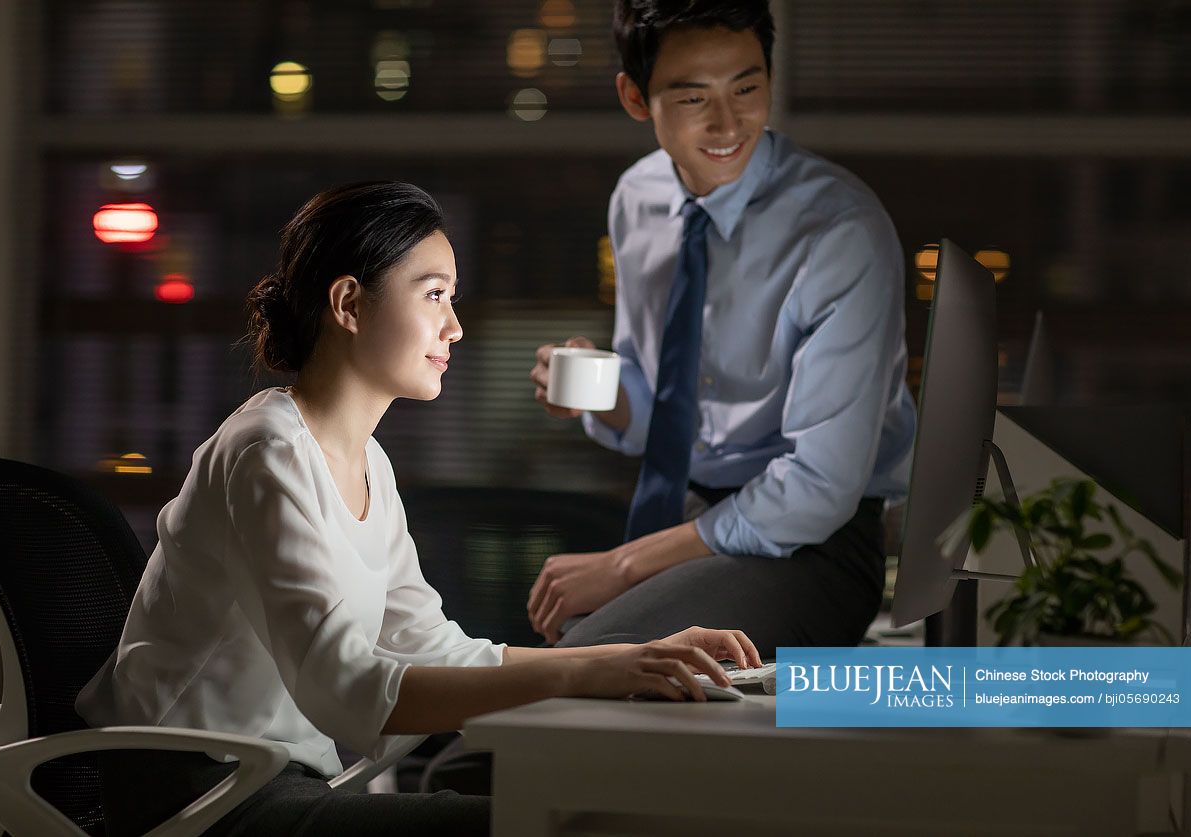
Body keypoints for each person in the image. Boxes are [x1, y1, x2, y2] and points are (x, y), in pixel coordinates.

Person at [77, 182, 760, 837]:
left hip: (274, 779)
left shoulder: (366, 460)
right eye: (434, 295)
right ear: (348, 303)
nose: (454, 327)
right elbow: (346, 688)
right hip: (196, 797)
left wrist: (626, 660)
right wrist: (587, 671)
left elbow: (434, 648)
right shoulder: (266, 452)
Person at [527, 0, 918, 650]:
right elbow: (671, 418)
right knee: (566, 660)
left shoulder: (837, 229)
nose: (728, 123)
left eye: (747, 88)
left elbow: (820, 487)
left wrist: (624, 564)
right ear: (633, 96)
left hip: (814, 545)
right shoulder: (638, 199)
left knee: (592, 663)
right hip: (690, 516)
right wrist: (609, 396)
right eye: (691, 99)